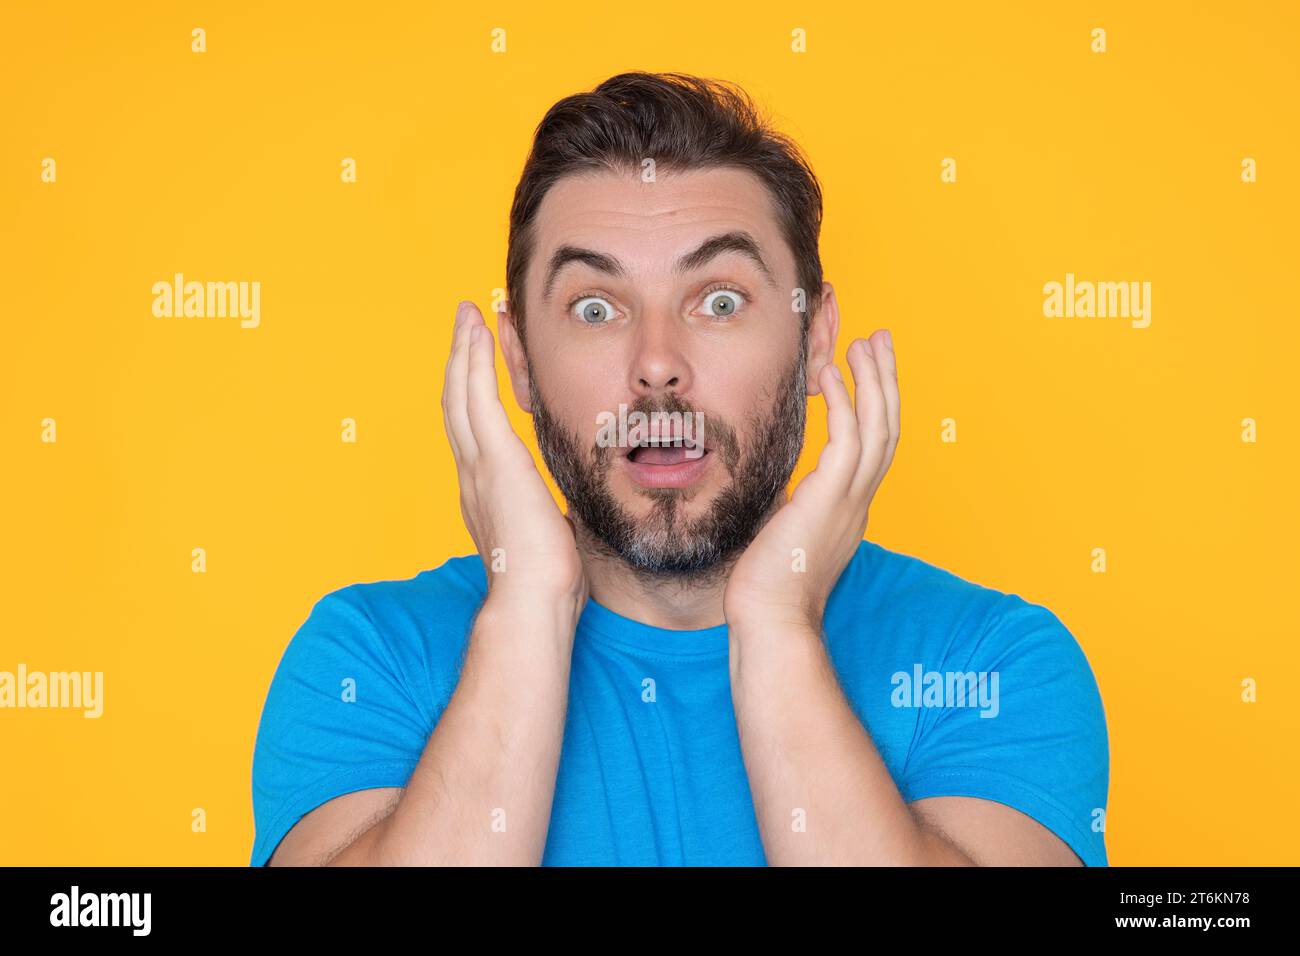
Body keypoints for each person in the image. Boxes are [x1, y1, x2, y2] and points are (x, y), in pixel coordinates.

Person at [250, 71, 1108, 866]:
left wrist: (777, 624)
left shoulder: (991, 662)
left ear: (815, 338)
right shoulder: (369, 659)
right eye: (595, 307)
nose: (656, 364)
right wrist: (527, 606)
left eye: (720, 301)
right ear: (516, 361)